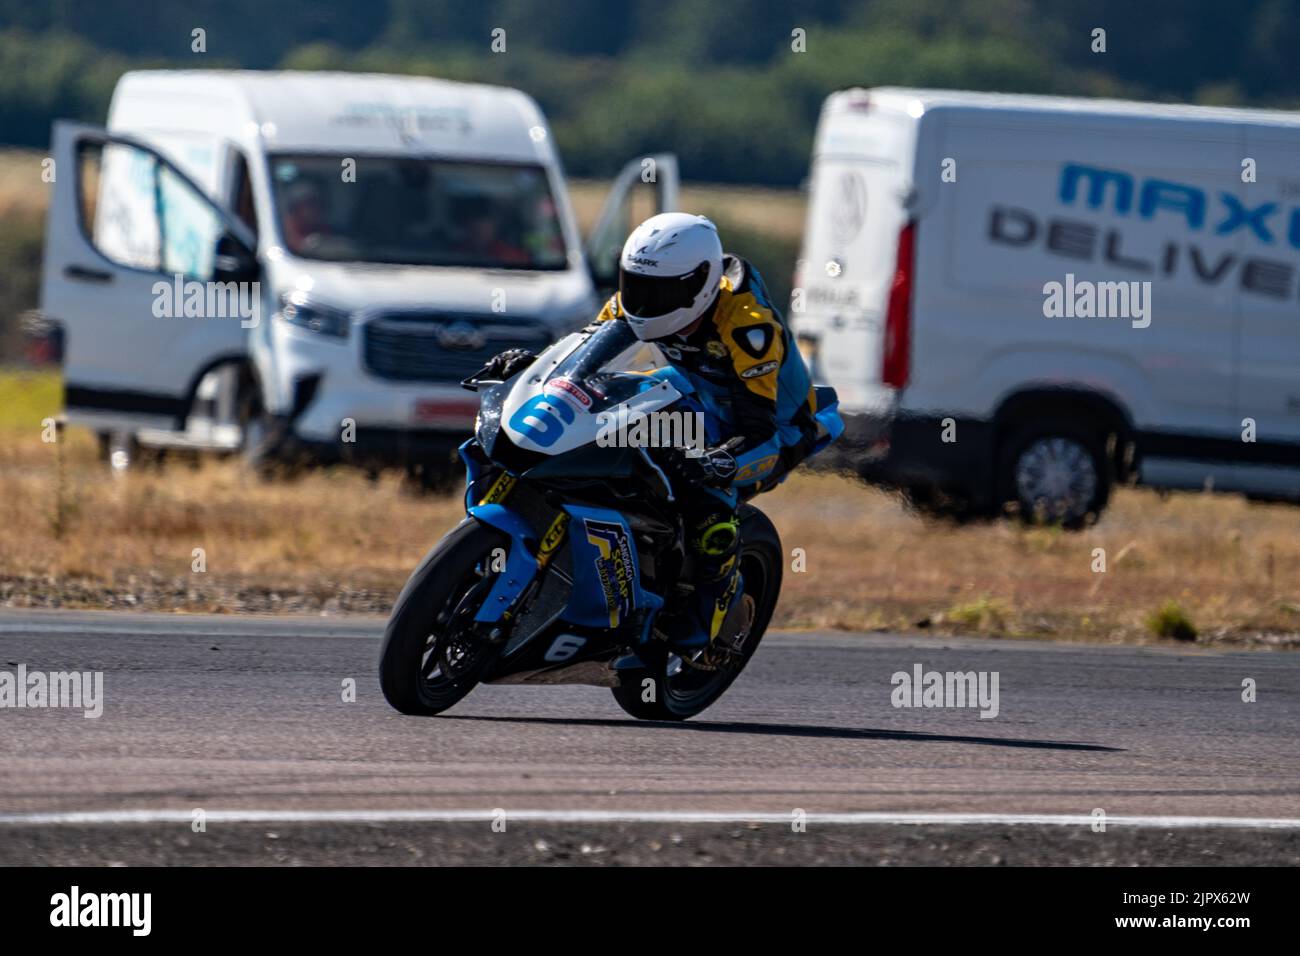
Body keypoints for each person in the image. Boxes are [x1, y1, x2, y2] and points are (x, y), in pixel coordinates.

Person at [484, 213, 823, 652]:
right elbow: (582, 355)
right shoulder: (634, 301)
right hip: (692, 399)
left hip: (773, 431)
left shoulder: (747, 324)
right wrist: (530, 368)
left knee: (705, 495)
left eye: (658, 291)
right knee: (601, 423)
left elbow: (759, 426)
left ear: (700, 282)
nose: (642, 301)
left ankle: (708, 616)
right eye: (635, 284)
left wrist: (717, 458)